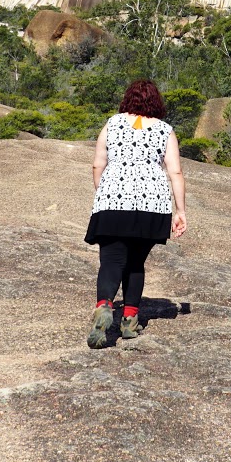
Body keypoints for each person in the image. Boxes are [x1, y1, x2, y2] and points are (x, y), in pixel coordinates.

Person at [83, 79, 187, 348]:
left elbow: (98, 164)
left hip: (113, 201)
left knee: (111, 261)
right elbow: (175, 171)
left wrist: (103, 192)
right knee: (136, 263)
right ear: (156, 102)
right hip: (152, 205)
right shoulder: (165, 130)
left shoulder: (112, 123)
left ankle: (105, 305)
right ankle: (129, 321)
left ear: (127, 99)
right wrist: (180, 210)